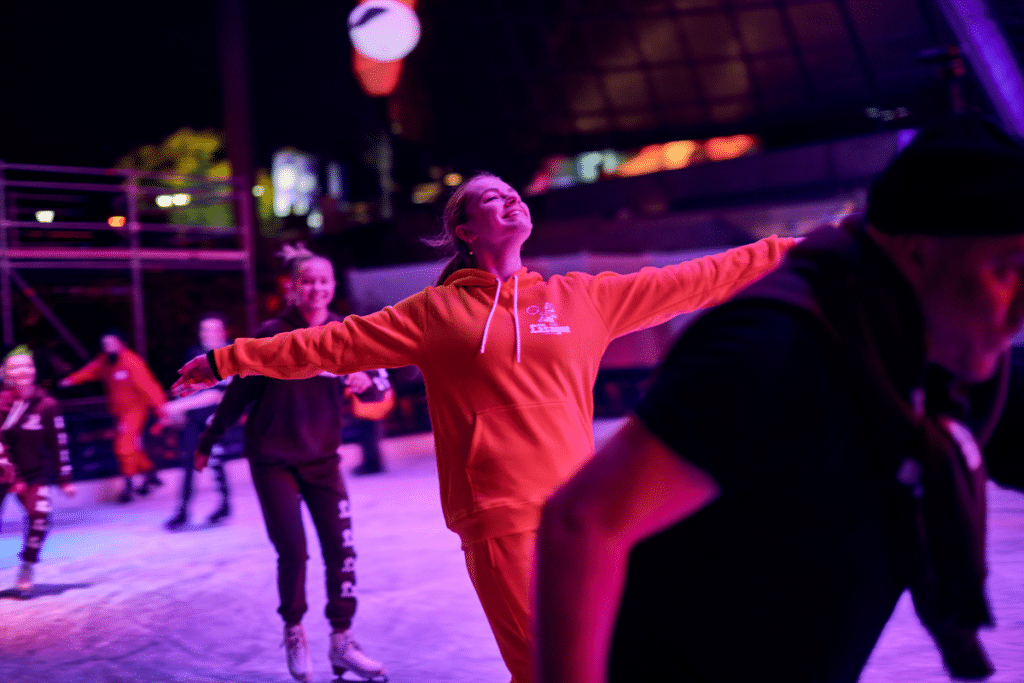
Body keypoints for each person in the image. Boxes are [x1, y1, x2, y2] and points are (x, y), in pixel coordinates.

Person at [173, 173, 799, 683]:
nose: (510, 198)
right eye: (490, 196)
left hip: (585, 517)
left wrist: (792, 252)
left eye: (513, 192)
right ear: (466, 231)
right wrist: (229, 359)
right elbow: (327, 345)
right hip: (500, 522)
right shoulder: (435, 313)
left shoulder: (581, 298)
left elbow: (695, 280)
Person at [533, 113, 1024, 683]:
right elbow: (584, 523)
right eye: (1007, 271)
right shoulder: (774, 352)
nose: (1019, 313)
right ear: (916, 252)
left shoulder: (938, 364)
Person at [192, 248, 390, 683]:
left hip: (323, 460)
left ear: (333, 286)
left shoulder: (346, 333)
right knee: (294, 552)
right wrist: (208, 440)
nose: (317, 288)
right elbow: (238, 394)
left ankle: (342, 640)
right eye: (308, 280)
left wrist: (366, 382)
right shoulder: (272, 333)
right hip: (273, 460)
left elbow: (378, 388)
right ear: (293, 287)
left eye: (324, 280)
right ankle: (295, 631)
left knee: (341, 550)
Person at [0, 347, 76, 597]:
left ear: (33, 371)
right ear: (5, 374)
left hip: (34, 473)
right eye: (15, 367)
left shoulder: (47, 404)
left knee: (40, 517)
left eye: (27, 366)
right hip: (3, 472)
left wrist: (64, 478)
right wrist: (14, 478)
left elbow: (59, 441)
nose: (22, 371)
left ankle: (27, 566)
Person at [59, 331, 166, 503]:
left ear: (121, 343)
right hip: (120, 413)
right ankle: (151, 476)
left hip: (135, 411)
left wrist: (162, 410)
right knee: (132, 447)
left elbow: (149, 387)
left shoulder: (132, 362)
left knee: (123, 446)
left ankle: (129, 487)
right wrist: (70, 380)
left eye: (111, 343)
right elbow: (90, 371)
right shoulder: (105, 361)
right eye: (105, 344)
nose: (107, 347)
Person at [162, 313, 233, 530]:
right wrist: (178, 408)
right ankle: (183, 510)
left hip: (217, 416)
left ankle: (223, 505)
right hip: (195, 417)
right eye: (205, 330)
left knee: (215, 461)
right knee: (189, 463)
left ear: (223, 332)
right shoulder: (194, 354)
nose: (209, 334)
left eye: (214, 330)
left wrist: (177, 406)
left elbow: (217, 395)